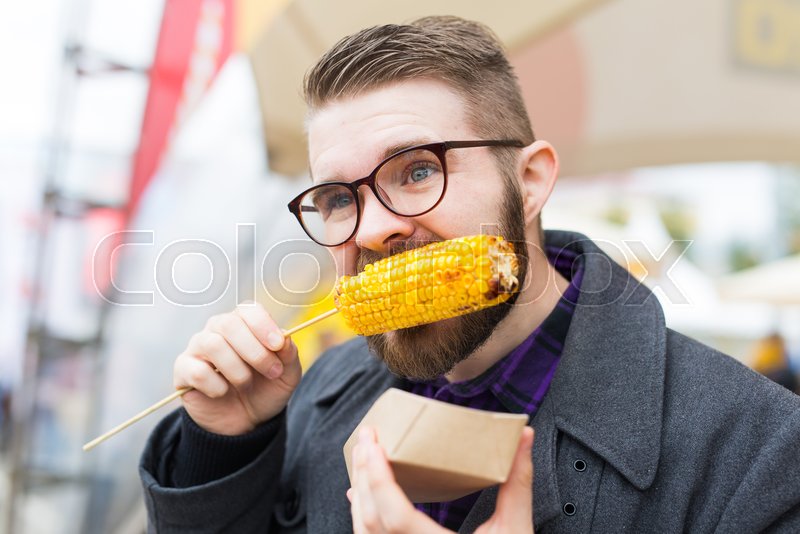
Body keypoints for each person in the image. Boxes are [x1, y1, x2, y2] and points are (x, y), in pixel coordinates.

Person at [139, 16, 800, 533]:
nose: (370, 230)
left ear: (531, 180)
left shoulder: (762, 454)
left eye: (418, 170)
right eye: (339, 198)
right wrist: (223, 448)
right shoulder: (315, 395)